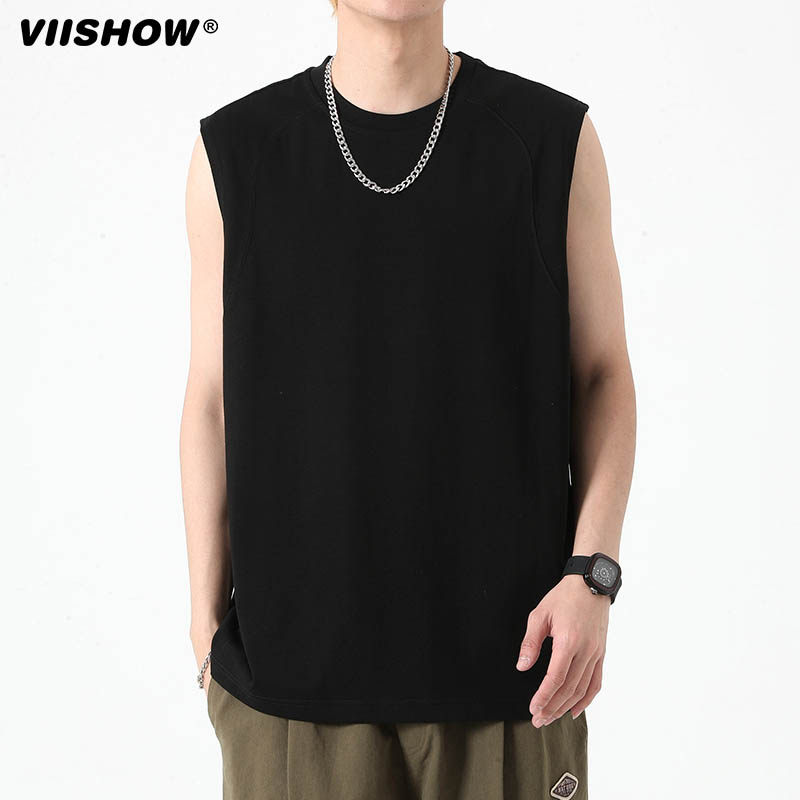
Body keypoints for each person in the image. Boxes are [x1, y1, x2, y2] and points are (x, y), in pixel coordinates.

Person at [181, 1, 635, 798]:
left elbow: (602, 375)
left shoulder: (549, 139)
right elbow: (212, 398)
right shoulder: (239, 149)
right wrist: (205, 622)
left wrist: (591, 577)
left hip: (512, 676)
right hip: (291, 690)